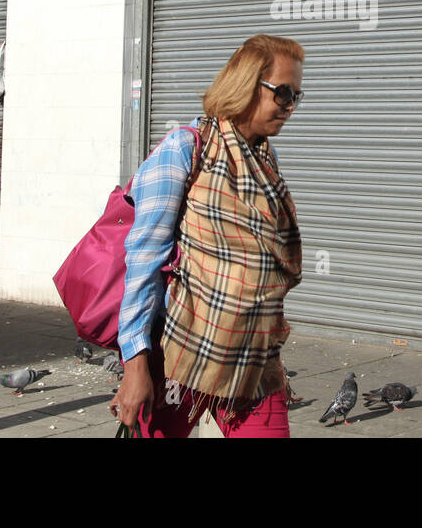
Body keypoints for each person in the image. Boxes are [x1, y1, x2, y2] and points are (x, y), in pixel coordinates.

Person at [108, 34, 305, 438]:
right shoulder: (184, 148)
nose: (289, 108)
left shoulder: (264, 158)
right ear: (247, 85)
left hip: (253, 359)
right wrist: (135, 367)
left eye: (296, 97)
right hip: (178, 354)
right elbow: (144, 261)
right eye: (282, 93)